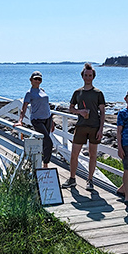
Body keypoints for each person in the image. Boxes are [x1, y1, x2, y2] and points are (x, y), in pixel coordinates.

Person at [62, 63, 105, 191]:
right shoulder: (77, 92)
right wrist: (80, 112)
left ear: (93, 77)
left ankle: (90, 180)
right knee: (74, 154)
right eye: (86, 75)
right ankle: (72, 179)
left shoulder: (98, 93)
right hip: (81, 126)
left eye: (90, 75)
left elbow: (102, 112)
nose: (88, 77)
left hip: (94, 127)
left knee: (93, 155)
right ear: (82, 76)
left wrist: (101, 129)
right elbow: (70, 108)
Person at [15, 71, 54, 168]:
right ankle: (45, 164)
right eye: (35, 79)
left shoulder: (42, 90)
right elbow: (24, 108)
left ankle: (41, 161)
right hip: (37, 120)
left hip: (47, 119)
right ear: (31, 80)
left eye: (39, 79)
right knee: (49, 142)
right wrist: (20, 120)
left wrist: (52, 121)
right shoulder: (29, 93)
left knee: (44, 142)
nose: (37, 81)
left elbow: (47, 106)